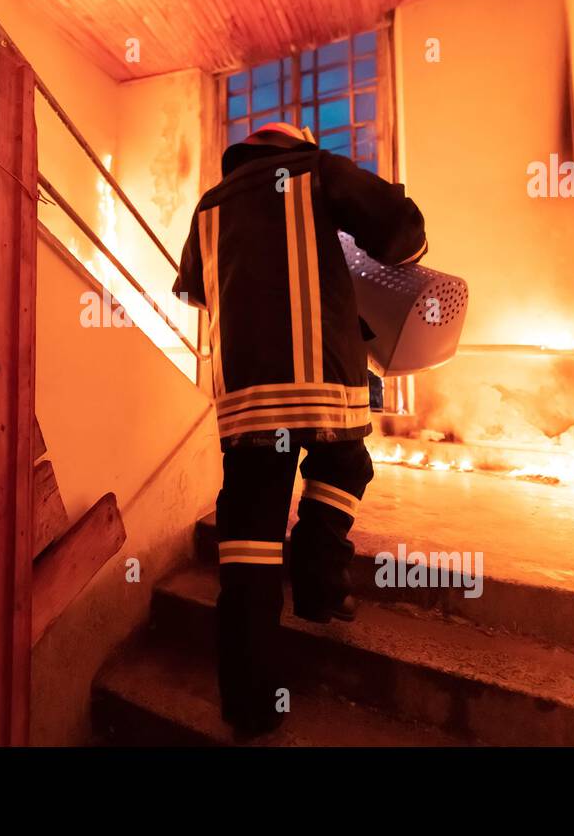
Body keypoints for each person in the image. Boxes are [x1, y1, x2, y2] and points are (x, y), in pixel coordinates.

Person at [173, 121, 427, 737]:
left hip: (245, 399)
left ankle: (251, 702)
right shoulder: (318, 171)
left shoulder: (209, 206)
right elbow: (402, 231)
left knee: (249, 538)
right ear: (298, 144)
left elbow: (196, 292)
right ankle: (318, 578)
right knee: (344, 467)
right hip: (319, 380)